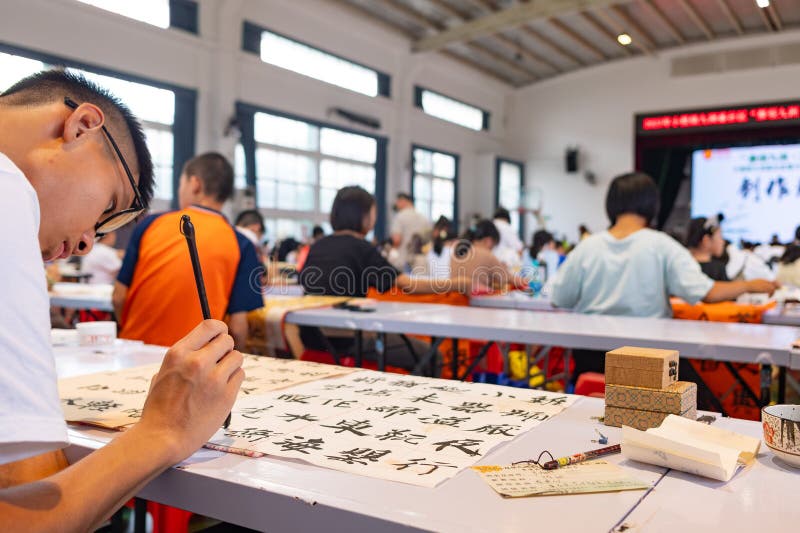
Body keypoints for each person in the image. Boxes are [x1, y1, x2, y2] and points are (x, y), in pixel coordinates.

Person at [0, 69, 243, 532]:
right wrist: (164, 431)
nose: (89, 243)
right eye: (108, 206)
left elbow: (121, 294)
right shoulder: (6, 191)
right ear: (82, 126)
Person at [551, 172, 779, 318]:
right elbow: (706, 293)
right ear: (653, 205)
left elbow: (560, 298)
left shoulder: (587, 247)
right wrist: (749, 285)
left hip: (589, 354)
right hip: (647, 357)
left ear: (610, 204)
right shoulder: (662, 245)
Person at [299, 186, 467, 369]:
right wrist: (457, 283)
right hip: (346, 340)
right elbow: (409, 285)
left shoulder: (318, 247)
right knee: (431, 355)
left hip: (311, 337)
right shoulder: (362, 248)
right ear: (365, 217)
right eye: (373, 213)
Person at [113, 152, 263, 350]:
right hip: (194, 360)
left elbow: (119, 296)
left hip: (134, 349)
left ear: (195, 184)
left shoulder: (151, 224)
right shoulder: (240, 243)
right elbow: (238, 327)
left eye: (181, 184)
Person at [450, 219, 518, 292]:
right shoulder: (486, 254)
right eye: (493, 246)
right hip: (474, 300)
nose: (492, 250)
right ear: (489, 241)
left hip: (454, 299)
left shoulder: (458, 250)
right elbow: (512, 280)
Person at [390, 192, 431, 271]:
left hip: (403, 262)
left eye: (398, 202)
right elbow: (427, 244)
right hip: (420, 263)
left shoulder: (400, 216)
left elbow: (396, 239)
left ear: (403, 201)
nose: (396, 204)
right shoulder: (424, 218)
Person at [685, 215, 729, 281]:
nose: (723, 242)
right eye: (720, 236)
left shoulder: (683, 265)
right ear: (706, 240)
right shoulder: (717, 269)